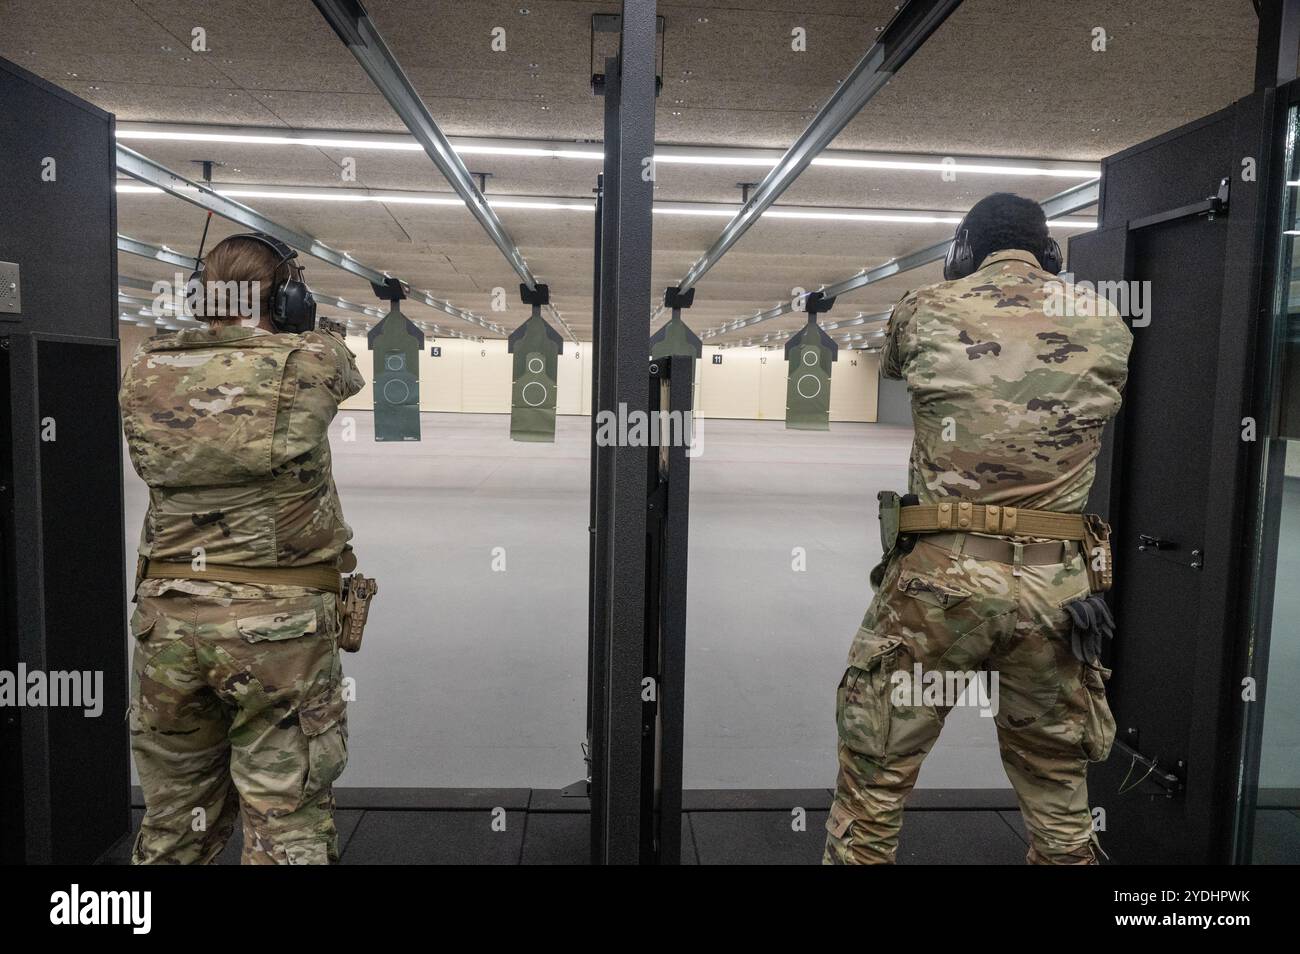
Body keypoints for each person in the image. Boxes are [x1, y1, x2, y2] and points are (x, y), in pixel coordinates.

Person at [824, 193, 1133, 865]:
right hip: (1060, 591)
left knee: (875, 785)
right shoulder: (1108, 322)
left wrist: (957, 287)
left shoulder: (926, 311)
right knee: (1060, 799)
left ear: (963, 252)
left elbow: (899, 363)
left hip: (943, 587)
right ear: (1051, 252)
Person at [120, 233, 364, 864]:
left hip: (166, 624)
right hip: (278, 631)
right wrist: (305, 321)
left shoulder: (146, 367)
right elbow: (342, 361)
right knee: (287, 820)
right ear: (287, 300)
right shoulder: (310, 360)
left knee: (174, 820)